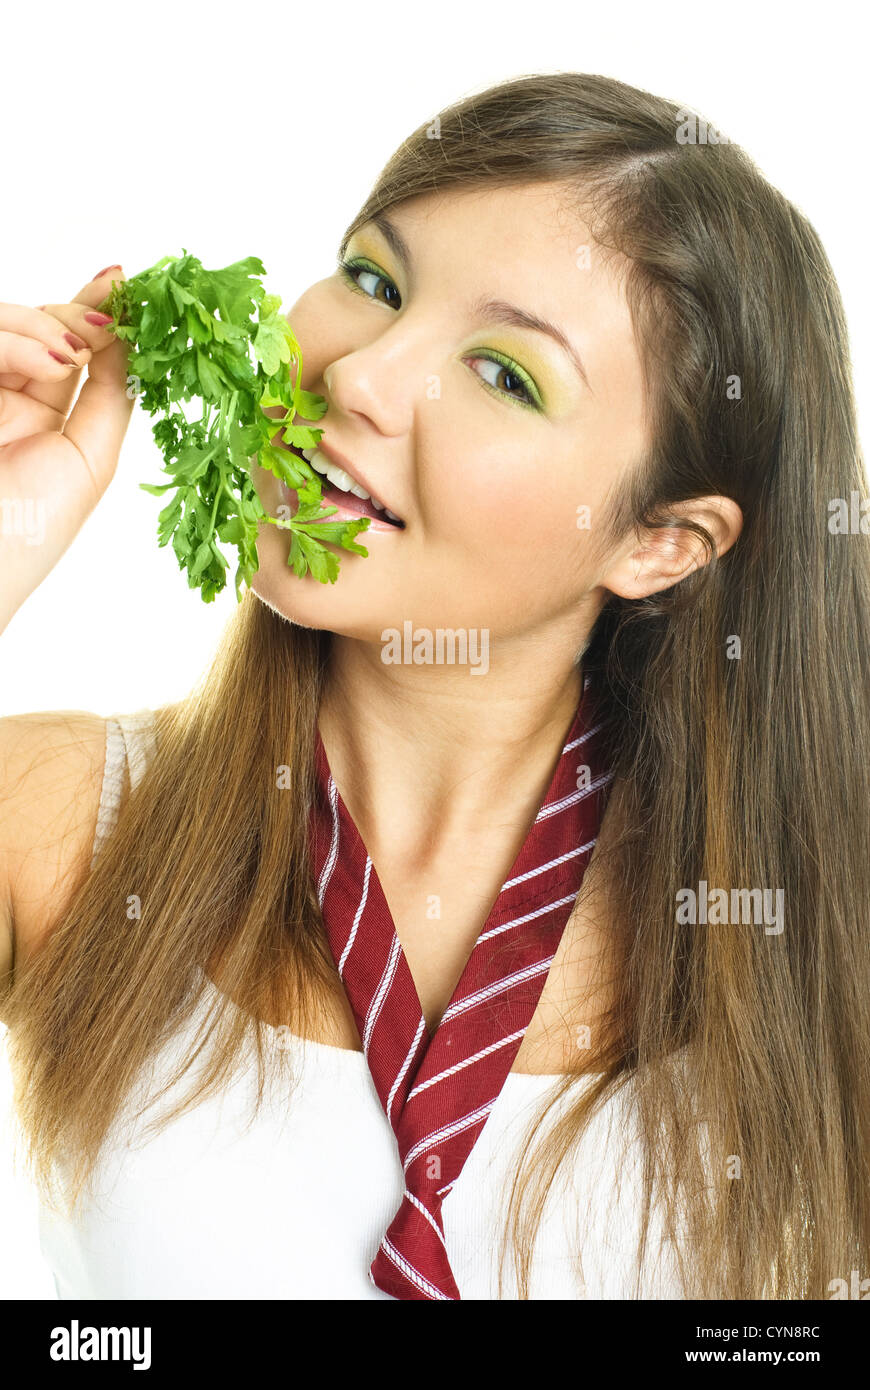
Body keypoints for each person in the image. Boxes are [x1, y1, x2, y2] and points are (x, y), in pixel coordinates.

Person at [1, 71, 867, 1300]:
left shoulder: (811, 952)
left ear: (658, 542)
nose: (359, 375)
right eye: (373, 280)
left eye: (507, 374)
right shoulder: (49, 826)